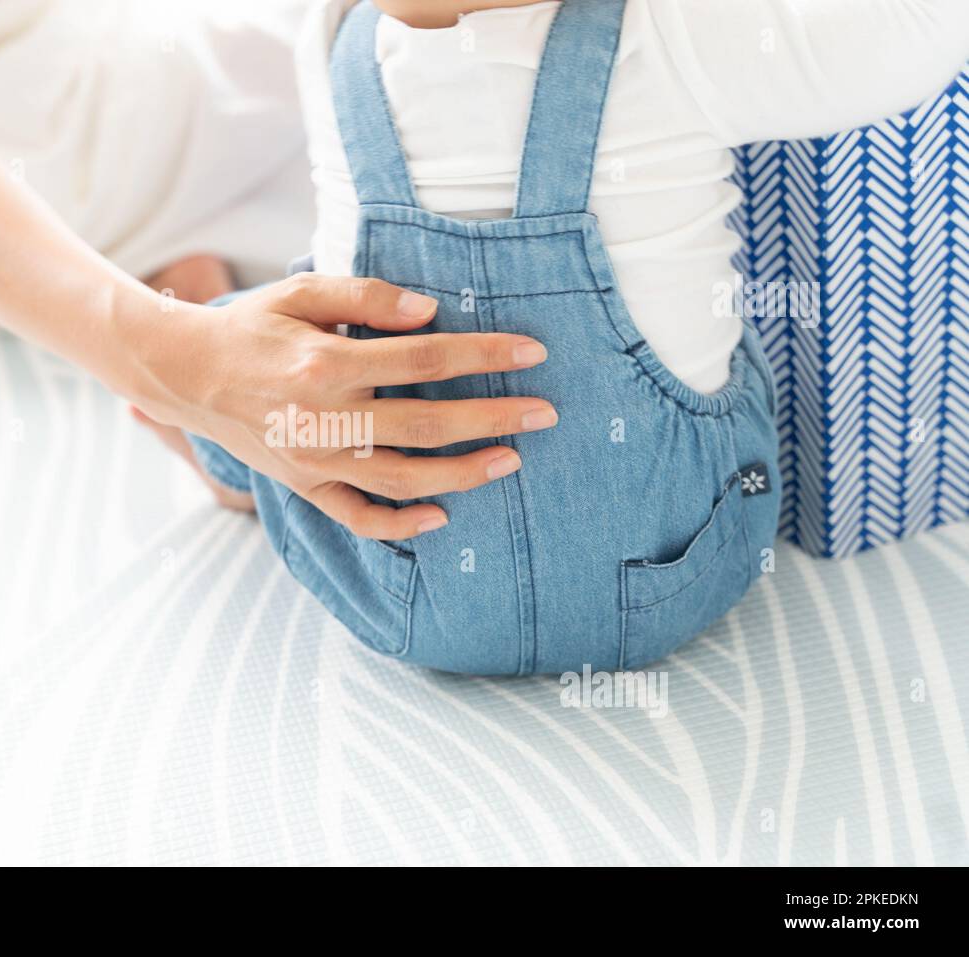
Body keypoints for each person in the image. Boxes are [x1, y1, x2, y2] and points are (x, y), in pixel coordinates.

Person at [180, 0, 969, 675]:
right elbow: (921, 29)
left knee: (266, 343)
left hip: (393, 589)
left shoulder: (327, 44)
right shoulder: (675, 34)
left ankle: (214, 447)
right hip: (683, 568)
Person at [0, 0, 557, 541]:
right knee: (415, 85)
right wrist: (179, 363)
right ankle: (183, 299)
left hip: (34, 57)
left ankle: (191, 269)